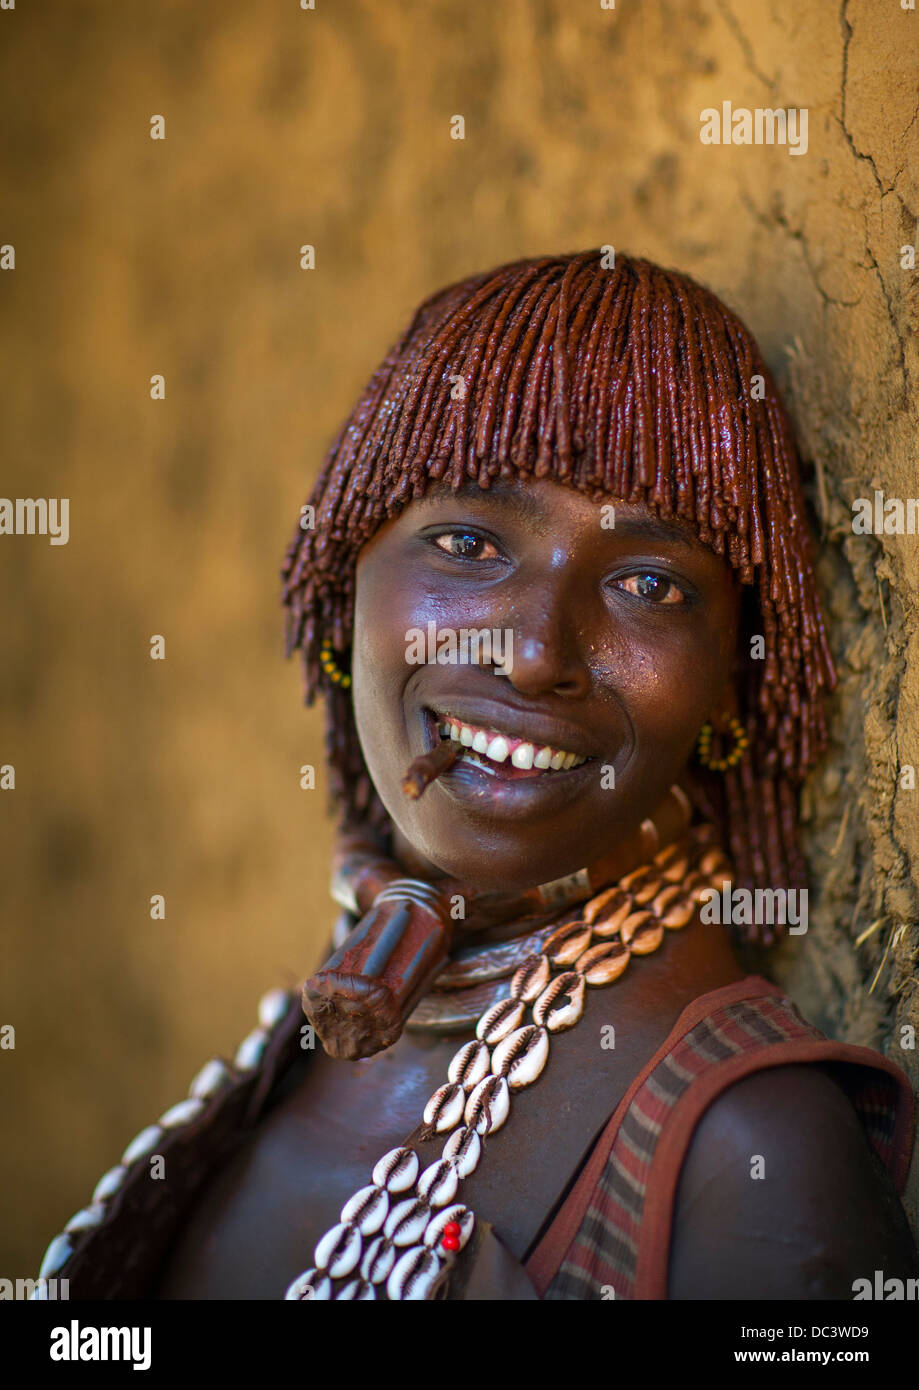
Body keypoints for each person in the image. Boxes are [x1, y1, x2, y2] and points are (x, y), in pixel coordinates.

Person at [36, 250, 917, 1300]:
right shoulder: (316, 1030)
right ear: (341, 600)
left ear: (731, 691)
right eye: (466, 541)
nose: (537, 650)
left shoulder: (749, 1162)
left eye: (648, 582)